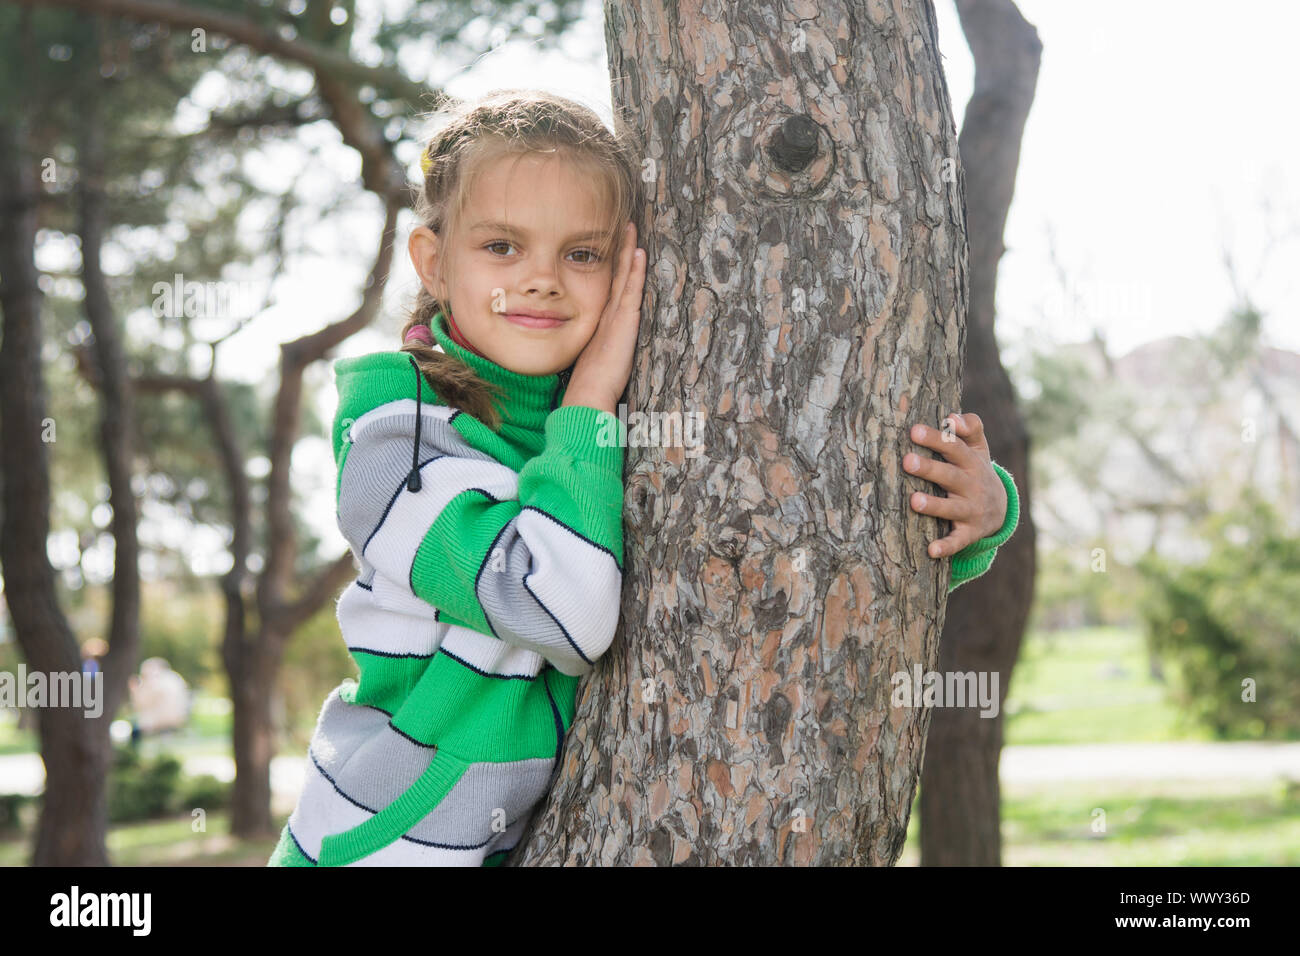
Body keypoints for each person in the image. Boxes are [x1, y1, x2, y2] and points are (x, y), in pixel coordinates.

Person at [268, 89, 1019, 868]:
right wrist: (591, 401)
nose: (542, 279)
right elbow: (558, 609)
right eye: (501, 247)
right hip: (380, 843)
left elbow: (809, 560)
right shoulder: (396, 435)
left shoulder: (619, 422)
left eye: (582, 254)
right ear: (434, 262)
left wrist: (975, 510)